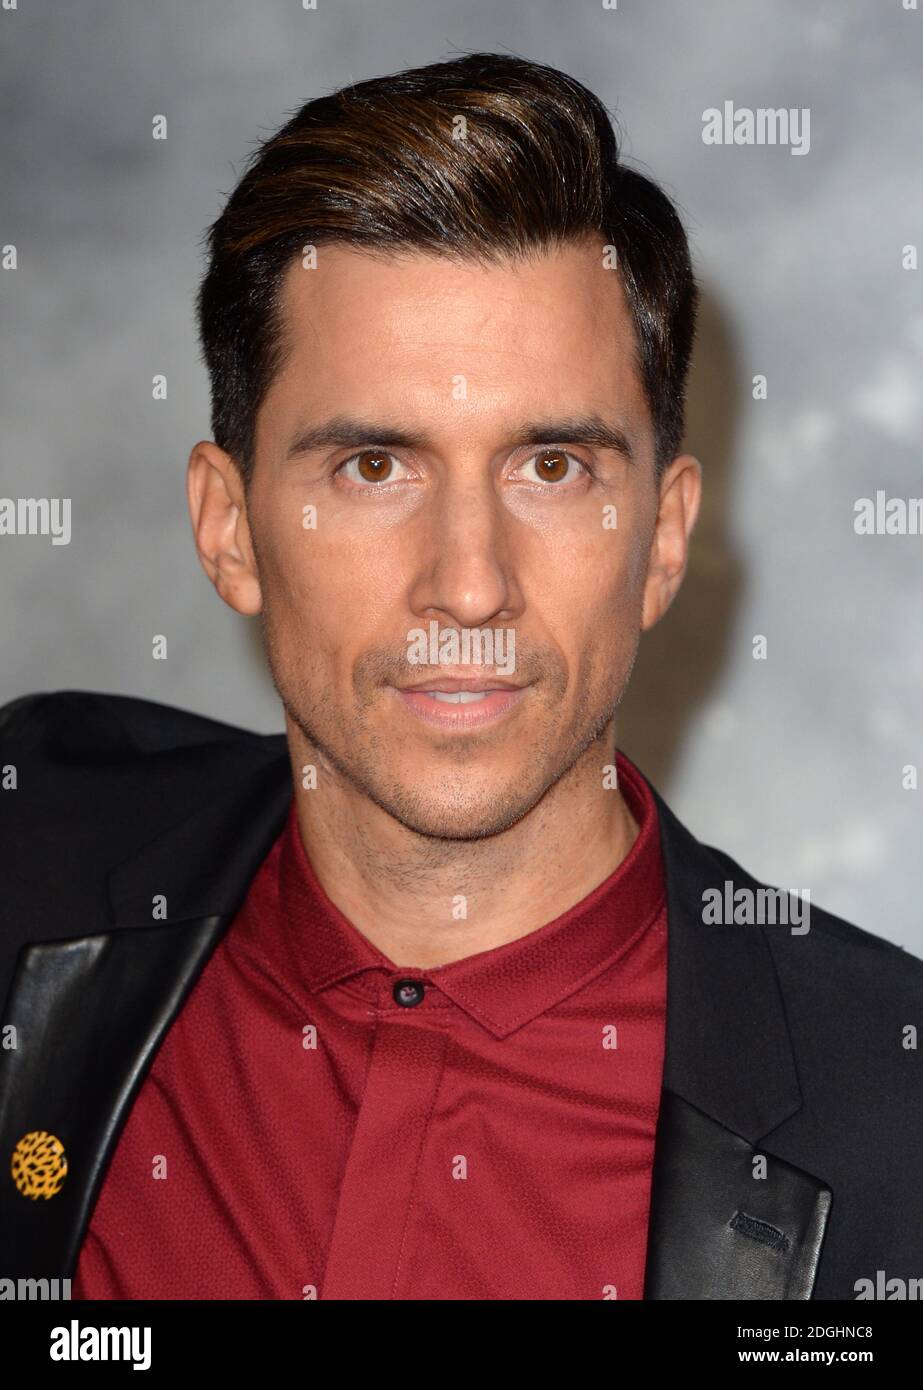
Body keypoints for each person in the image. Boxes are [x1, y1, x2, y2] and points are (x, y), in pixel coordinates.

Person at [1, 52, 920, 1302]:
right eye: (374, 466)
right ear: (228, 528)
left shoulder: (896, 1125)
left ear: (660, 538)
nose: (469, 583)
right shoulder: (30, 855)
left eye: (552, 466)